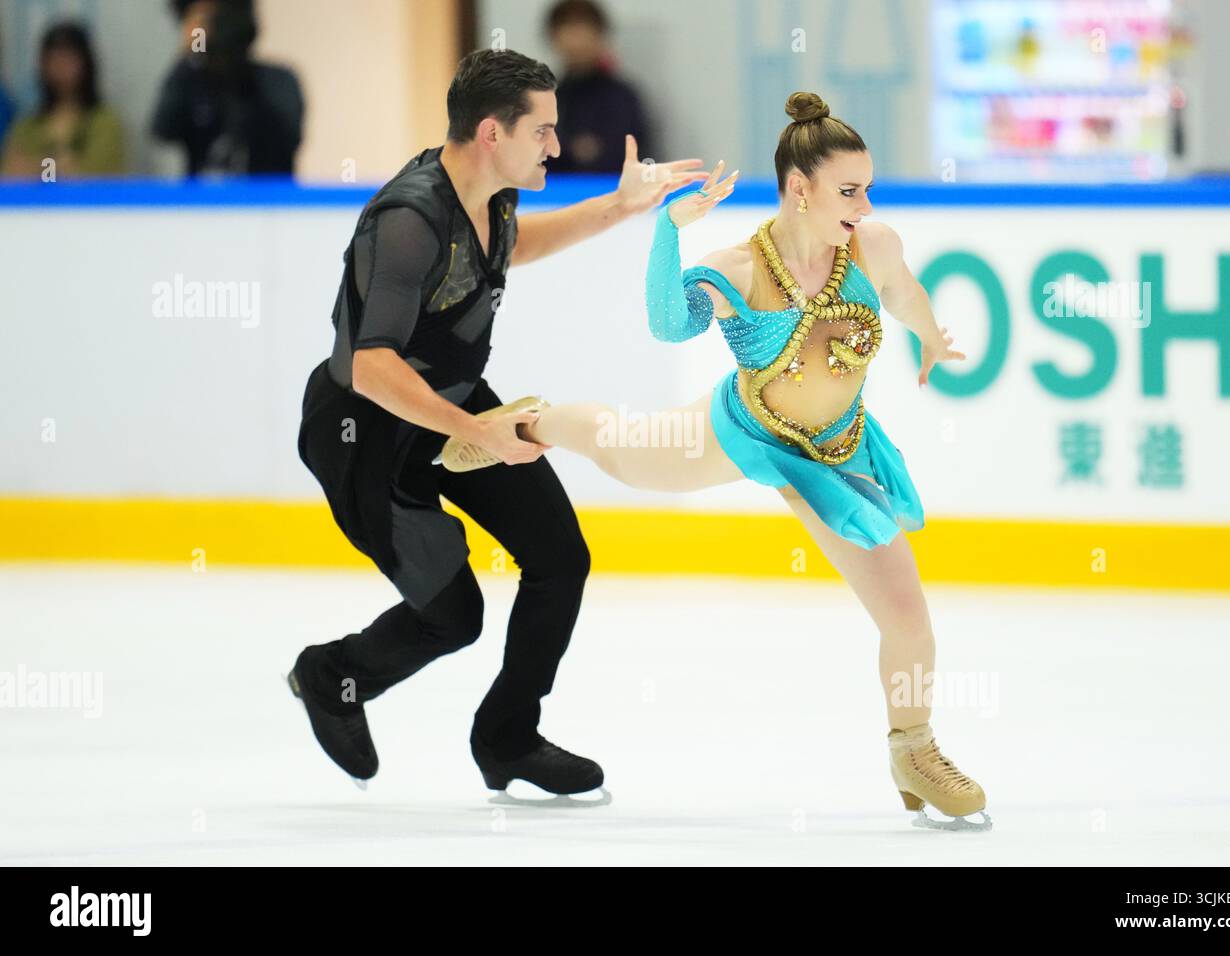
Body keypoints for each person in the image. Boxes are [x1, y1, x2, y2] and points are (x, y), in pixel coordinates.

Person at [441, 92, 992, 830]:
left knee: (908, 618)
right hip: (744, 429)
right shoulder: (738, 269)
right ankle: (530, 422)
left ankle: (914, 749)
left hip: (837, 451)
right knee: (625, 451)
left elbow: (905, 295)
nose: (864, 205)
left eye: (867, 189)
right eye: (850, 191)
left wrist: (930, 337)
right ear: (801, 189)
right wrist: (668, 230)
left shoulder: (874, 246)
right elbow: (670, 324)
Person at [290, 48, 706, 798]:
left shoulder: (493, 195)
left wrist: (620, 208)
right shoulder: (410, 219)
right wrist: (477, 431)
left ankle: (507, 739)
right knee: (454, 618)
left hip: (449, 404)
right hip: (366, 435)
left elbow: (514, 248)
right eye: (542, 130)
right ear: (492, 132)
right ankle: (332, 676)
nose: (555, 144)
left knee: (559, 556)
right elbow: (371, 366)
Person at [150, 0, 303, 176]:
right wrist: (192, 53)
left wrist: (236, 70)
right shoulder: (192, 83)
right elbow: (163, 130)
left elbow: (288, 138)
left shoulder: (277, 80)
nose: (207, 26)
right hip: (204, 201)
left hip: (268, 200)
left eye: (211, 17)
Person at [1, 21, 125, 179]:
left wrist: (39, 167)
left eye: (69, 58)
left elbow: (92, 174)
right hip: (35, 203)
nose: (60, 67)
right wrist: (54, 165)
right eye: (53, 59)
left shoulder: (105, 123)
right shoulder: (27, 126)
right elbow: (10, 172)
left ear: (86, 63)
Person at [543, 0, 653, 173]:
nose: (576, 41)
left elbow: (627, 154)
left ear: (600, 35)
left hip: (614, 191)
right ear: (553, 37)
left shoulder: (622, 96)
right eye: (568, 30)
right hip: (551, 195)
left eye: (584, 29)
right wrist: (574, 150)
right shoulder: (545, 96)